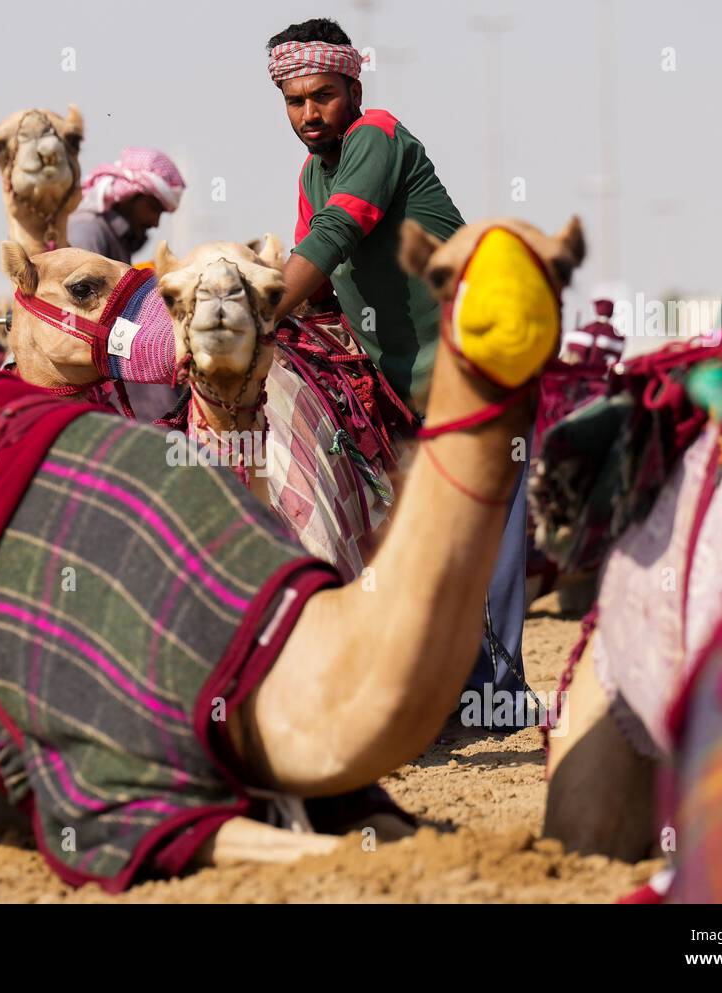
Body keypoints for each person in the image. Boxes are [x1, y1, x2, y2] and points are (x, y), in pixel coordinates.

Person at [265, 16, 533, 724]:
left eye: (322, 96)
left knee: (483, 541)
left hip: (472, 368)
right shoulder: (310, 173)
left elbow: (333, 236)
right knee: (428, 541)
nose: (308, 114)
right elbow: (317, 282)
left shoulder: (376, 134)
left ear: (353, 85)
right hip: (402, 390)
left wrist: (260, 312)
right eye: (294, 102)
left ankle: (495, 698)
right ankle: (442, 693)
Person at [68, 147, 187, 420]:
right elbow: (87, 314)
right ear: (131, 197)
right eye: (154, 208)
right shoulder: (88, 232)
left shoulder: (111, 236)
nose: (155, 222)